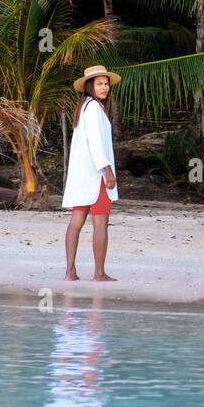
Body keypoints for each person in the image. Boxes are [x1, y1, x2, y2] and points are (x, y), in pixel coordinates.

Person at [62, 65, 121, 281]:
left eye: (106, 84)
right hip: (97, 176)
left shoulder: (84, 107)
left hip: (82, 175)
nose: (104, 87)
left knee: (76, 221)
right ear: (90, 86)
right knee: (100, 223)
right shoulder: (94, 108)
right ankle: (99, 273)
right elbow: (96, 143)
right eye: (99, 84)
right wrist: (107, 170)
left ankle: (70, 271)